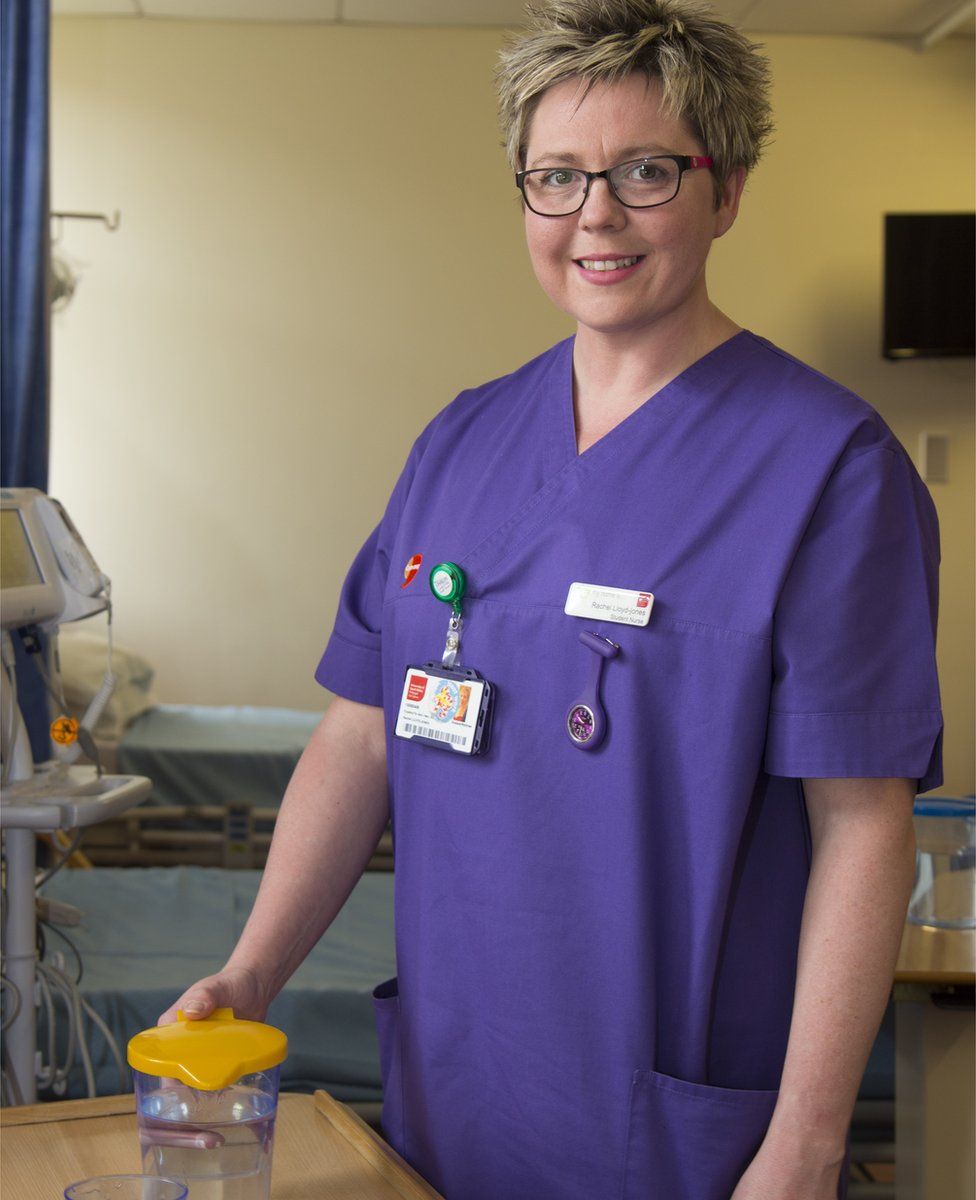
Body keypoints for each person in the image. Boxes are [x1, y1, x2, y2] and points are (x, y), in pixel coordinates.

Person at [161, 3, 943, 1197]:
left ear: (724, 189)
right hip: (456, 1089)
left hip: (684, 1123)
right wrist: (253, 970)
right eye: (556, 177)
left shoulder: (827, 470)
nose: (595, 217)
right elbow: (362, 729)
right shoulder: (460, 441)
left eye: (644, 172)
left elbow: (862, 826)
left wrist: (806, 1142)